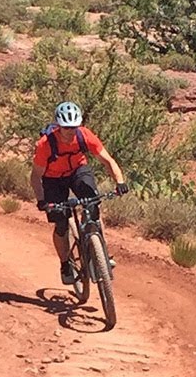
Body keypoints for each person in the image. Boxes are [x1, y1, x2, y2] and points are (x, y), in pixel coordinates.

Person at [30, 101, 128, 285]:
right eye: (66, 128)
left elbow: (108, 160)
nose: (70, 132)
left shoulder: (84, 135)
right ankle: (65, 263)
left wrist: (120, 181)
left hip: (77, 171)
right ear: (58, 126)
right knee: (60, 223)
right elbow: (35, 176)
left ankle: (99, 254)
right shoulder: (46, 144)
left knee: (93, 205)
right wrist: (41, 200)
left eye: (74, 127)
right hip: (52, 180)